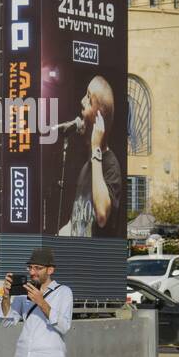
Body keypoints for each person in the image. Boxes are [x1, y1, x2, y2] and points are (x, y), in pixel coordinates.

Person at [57, 75, 124, 238]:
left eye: (88, 98)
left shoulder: (111, 165)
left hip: (93, 254)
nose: (82, 101)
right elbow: (77, 221)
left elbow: (101, 216)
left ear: (98, 116)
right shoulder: (86, 168)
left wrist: (96, 148)